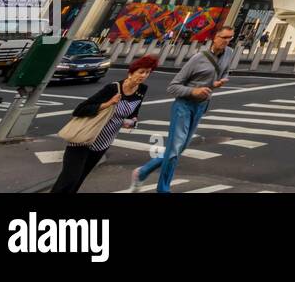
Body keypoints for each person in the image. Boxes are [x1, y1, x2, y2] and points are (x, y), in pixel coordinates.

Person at [130, 24, 235, 193]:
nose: (227, 41)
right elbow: (173, 87)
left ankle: (142, 172)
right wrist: (194, 90)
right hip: (184, 106)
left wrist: (217, 83)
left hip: (201, 106)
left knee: (178, 149)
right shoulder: (198, 58)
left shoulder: (229, 53)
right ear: (215, 37)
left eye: (230, 38)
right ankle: (163, 189)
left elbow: (225, 73)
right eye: (224, 38)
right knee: (174, 151)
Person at [51, 54, 157, 193]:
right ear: (130, 72)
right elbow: (80, 110)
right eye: (141, 72)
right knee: (70, 178)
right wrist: (108, 103)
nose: (143, 75)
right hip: (85, 138)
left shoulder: (142, 90)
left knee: (79, 179)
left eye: (147, 72)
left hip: (103, 142)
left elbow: (134, 111)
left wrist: (132, 120)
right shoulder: (112, 88)